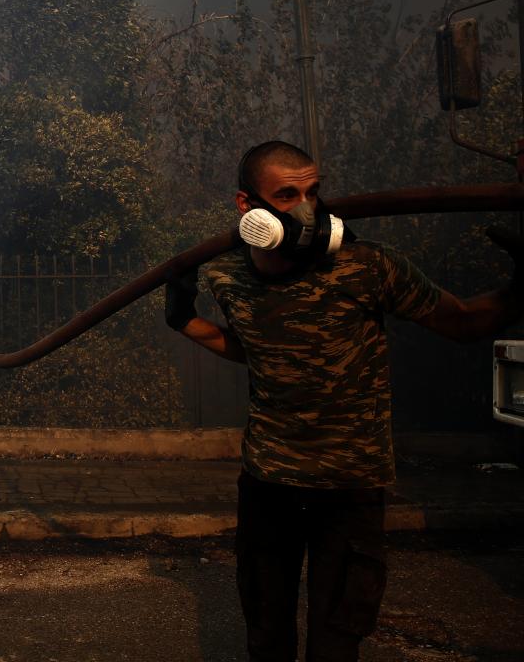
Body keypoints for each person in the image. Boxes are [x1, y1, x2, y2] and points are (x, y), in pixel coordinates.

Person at [164, 140, 524, 661]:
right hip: (269, 481)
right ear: (248, 207)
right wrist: (186, 320)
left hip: (350, 483)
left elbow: (466, 323)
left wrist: (521, 286)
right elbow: (258, 349)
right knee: (266, 637)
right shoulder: (226, 275)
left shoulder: (367, 266)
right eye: (287, 195)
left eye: (314, 192)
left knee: (337, 641)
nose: (307, 208)